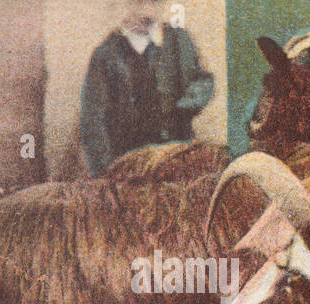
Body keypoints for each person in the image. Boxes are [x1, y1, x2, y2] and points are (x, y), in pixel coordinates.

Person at [79, 0, 214, 176]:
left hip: (176, 161)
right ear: (122, 5)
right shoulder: (105, 56)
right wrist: (106, 175)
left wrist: (184, 106)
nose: (148, 14)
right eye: (139, 3)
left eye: (155, 3)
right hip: (130, 171)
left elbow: (203, 81)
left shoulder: (178, 40)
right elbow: (92, 123)